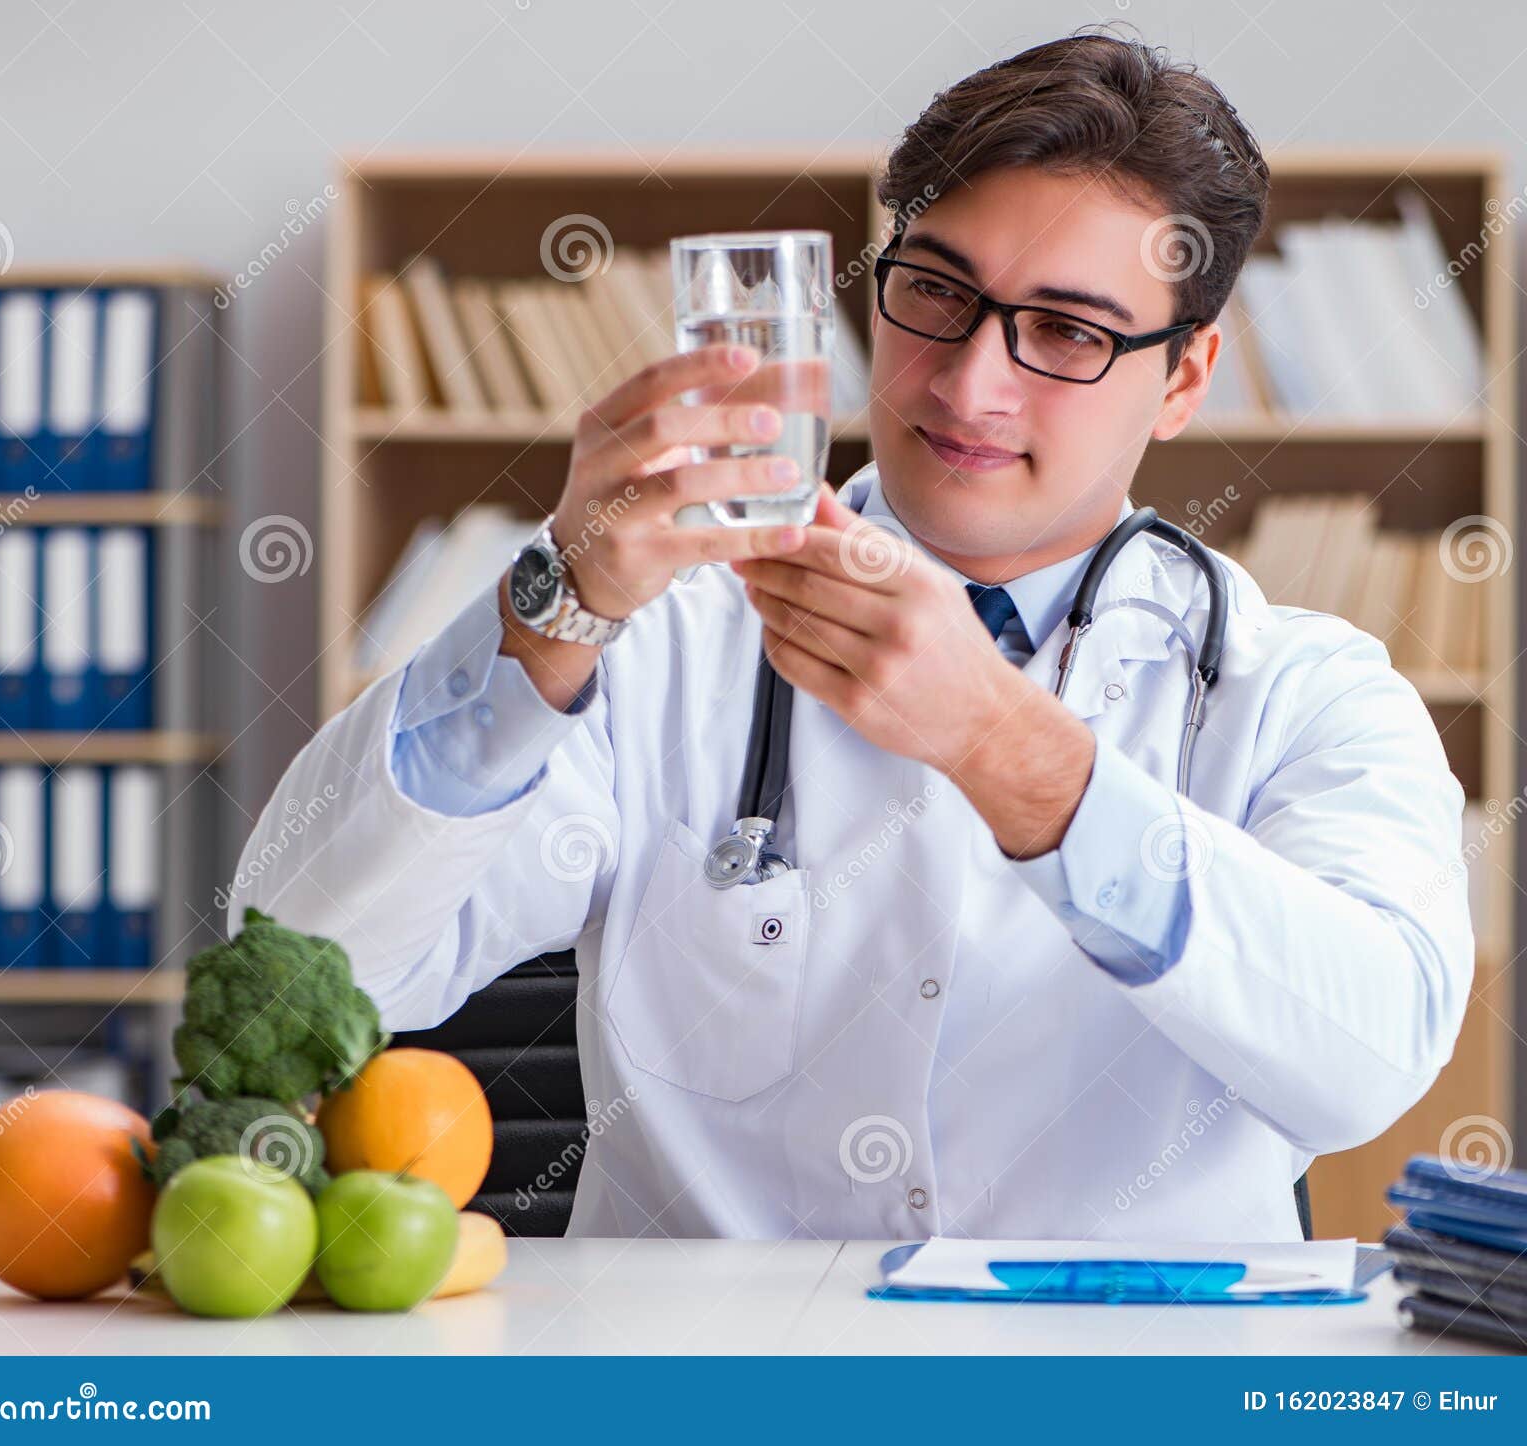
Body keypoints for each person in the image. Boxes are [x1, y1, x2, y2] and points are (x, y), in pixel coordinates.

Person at [233, 31, 1472, 1241]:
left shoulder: (1306, 694)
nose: (968, 384)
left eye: (1069, 332)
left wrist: (1006, 747)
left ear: (1188, 376)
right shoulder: (656, 636)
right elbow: (307, 971)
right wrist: (556, 603)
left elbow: (1363, 1066)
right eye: (935, 290)